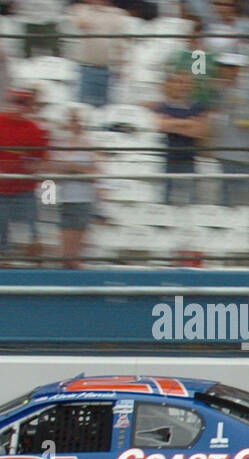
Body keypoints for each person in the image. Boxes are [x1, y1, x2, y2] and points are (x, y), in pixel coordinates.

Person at [0, 88, 48, 263]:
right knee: (1, 223)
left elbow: (38, 160)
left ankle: (35, 257)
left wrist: (31, 166)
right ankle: (4, 258)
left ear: (29, 106)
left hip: (24, 187)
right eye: (15, 101)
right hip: (2, 187)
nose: (17, 106)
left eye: (22, 103)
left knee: (33, 224)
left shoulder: (35, 129)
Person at [211, 53, 249, 206]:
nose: (228, 71)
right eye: (224, 67)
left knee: (247, 200)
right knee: (224, 200)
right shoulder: (215, 90)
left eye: (232, 68)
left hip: (245, 153)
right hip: (224, 152)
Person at [154, 72, 209, 205]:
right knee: (165, 203)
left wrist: (173, 123)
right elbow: (161, 126)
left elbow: (199, 131)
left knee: (190, 203)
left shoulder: (197, 107)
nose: (183, 86)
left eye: (186, 83)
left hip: (189, 161)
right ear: (168, 84)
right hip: (167, 161)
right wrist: (188, 123)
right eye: (178, 82)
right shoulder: (161, 107)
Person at [52, 108, 97, 269]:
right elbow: (54, 171)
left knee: (78, 239)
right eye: (72, 120)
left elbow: (95, 174)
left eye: (77, 120)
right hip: (65, 197)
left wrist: (74, 168)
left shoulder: (89, 144)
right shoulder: (60, 144)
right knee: (65, 240)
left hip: (83, 197)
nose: (75, 123)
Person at [67, 0, 130, 108]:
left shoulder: (118, 14)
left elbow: (121, 42)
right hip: (85, 68)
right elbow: (81, 23)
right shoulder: (80, 9)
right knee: (83, 106)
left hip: (108, 69)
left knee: (105, 108)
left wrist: (121, 67)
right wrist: (95, 9)